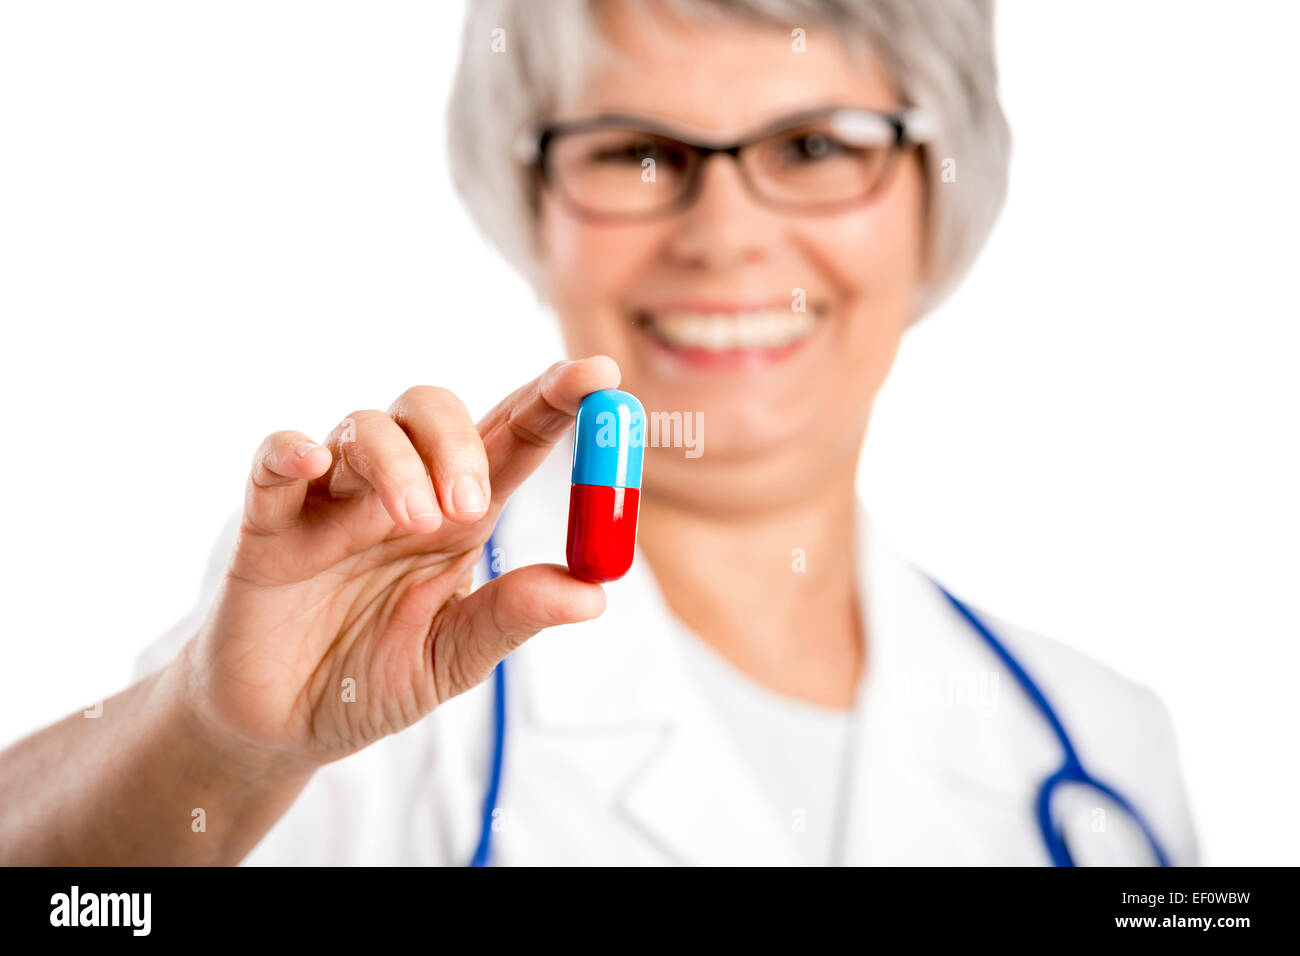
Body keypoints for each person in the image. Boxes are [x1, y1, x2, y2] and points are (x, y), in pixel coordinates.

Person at [0, 0, 1196, 866]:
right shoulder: (359, 632)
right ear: (528, 200)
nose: (722, 235)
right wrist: (219, 742)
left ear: (941, 189)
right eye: (637, 151)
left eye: (814, 144)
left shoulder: (1107, 751)